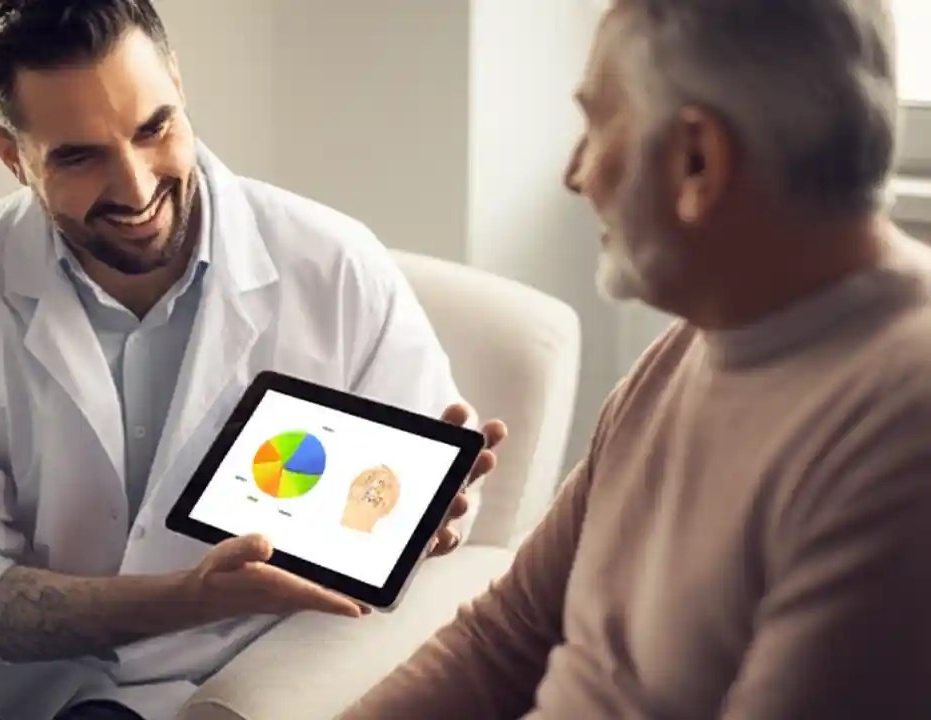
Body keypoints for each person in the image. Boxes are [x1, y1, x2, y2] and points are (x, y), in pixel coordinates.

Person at [0, 1, 504, 719]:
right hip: (3, 685)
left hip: (223, 686)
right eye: (79, 157)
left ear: (178, 85)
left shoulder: (335, 266)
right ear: (11, 155)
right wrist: (189, 595)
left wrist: (429, 523)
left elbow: (411, 530)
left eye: (155, 128)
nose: (137, 187)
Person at [344, 0, 931, 718]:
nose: (575, 172)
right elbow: (505, 637)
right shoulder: (697, 339)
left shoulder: (901, 433)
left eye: (595, 124)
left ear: (697, 161)